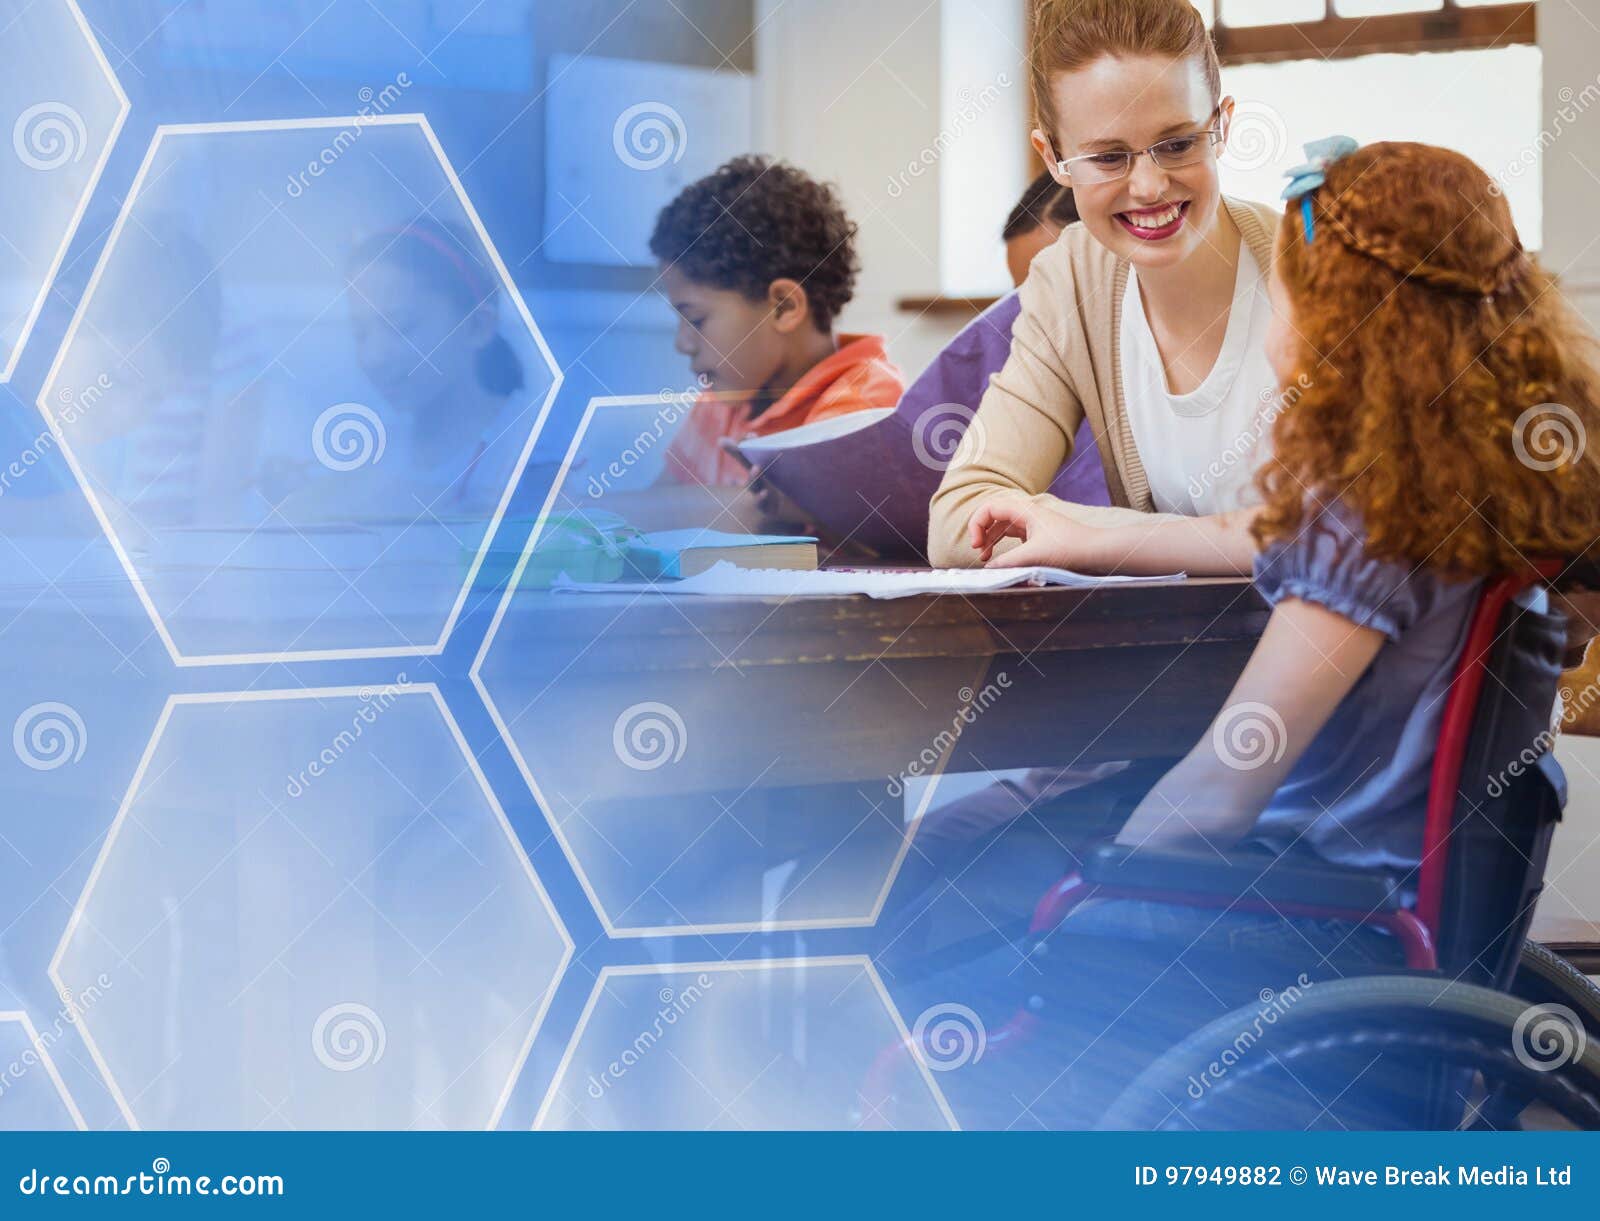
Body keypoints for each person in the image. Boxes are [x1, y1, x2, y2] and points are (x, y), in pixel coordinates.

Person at [926, 0, 1284, 564]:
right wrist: (1216, 540)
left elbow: (1370, 528)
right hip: (1178, 647)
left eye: (1177, 143)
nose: (1149, 186)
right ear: (1055, 158)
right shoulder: (1070, 279)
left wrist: (1095, 540)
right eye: (1108, 157)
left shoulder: (1318, 267)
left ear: (1223, 124)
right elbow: (960, 521)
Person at [650, 155, 903, 489]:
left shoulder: (864, 408)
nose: (681, 343)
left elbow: (813, 531)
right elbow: (662, 507)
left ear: (784, 307)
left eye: (696, 319)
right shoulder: (725, 397)